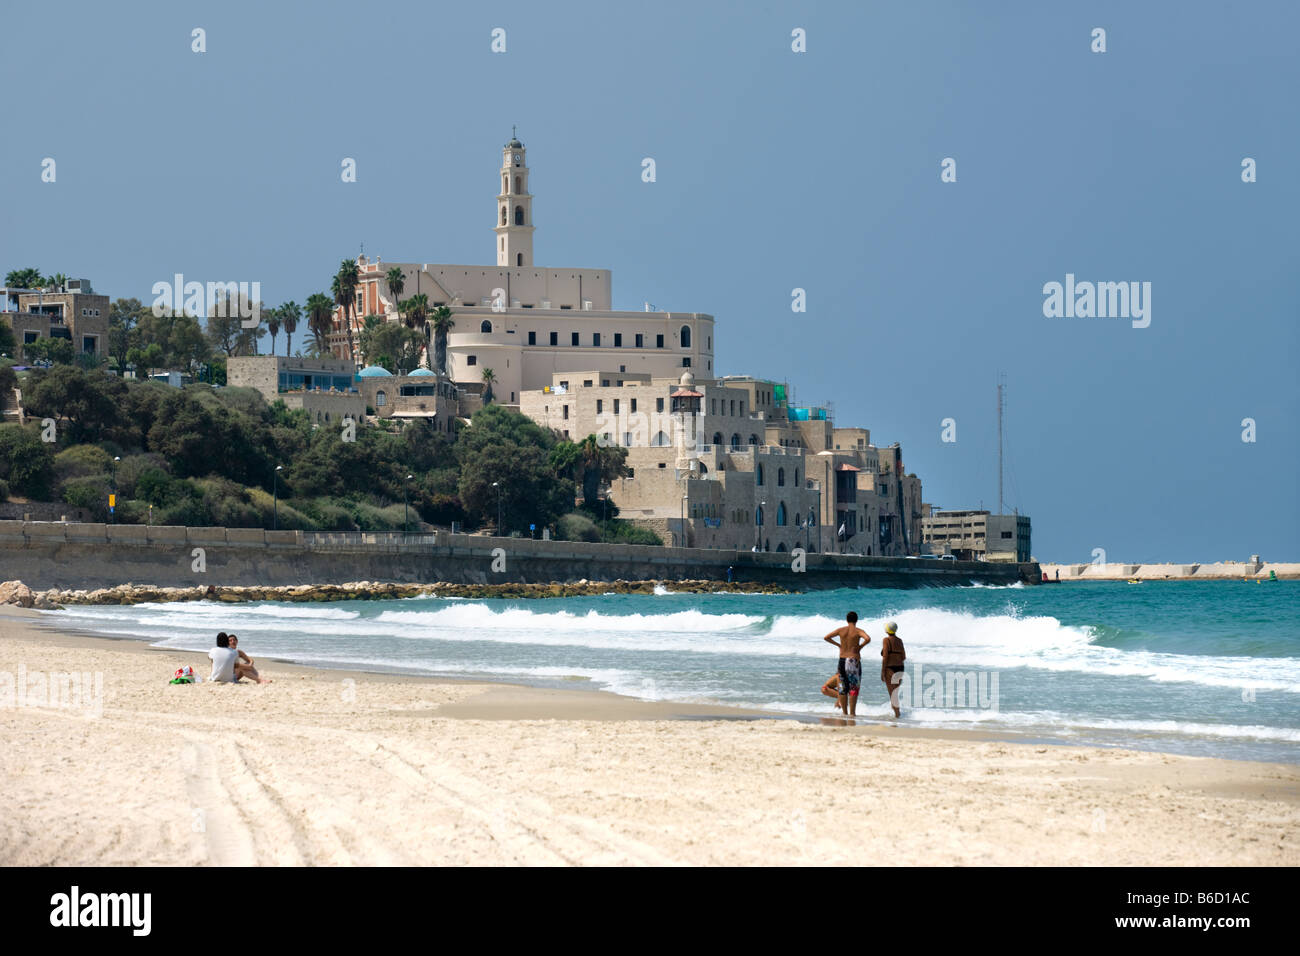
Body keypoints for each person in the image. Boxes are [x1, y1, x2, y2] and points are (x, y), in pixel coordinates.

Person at [823, 612, 870, 716]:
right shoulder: (858, 631)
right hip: (852, 661)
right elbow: (867, 638)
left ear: (847, 620)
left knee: (842, 687)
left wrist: (838, 645)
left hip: (842, 660)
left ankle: (844, 713)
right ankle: (852, 713)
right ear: (856, 620)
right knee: (853, 687)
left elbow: (826, 637)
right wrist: (860, 647)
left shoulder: (841, 630)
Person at [880, 621, 906, 718]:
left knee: (892, 694)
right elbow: (903, 657)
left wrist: (883, 671)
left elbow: (885, 657)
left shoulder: (886, 640)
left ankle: (897, 716)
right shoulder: (900, 641)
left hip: (890, 668)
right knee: (895, 694)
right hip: (900, 668)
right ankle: (896, 714)